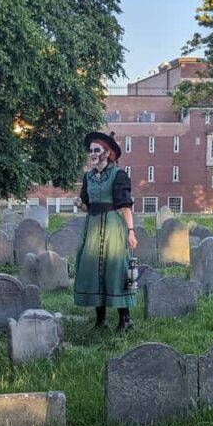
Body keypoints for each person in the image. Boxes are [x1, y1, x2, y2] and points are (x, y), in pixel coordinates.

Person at [72, 131, 138, 332]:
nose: (92, 153)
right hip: (92, 227)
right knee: (93, 270)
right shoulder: (89, 176)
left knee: (116, 270)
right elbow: (88, 206)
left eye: (96, 150)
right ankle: (100, 321)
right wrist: (79, 204)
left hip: (112, 227)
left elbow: (125, 206)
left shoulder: (118, 175)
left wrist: (131, 231)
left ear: (107, 153)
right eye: (90, 150)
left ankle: (125, 320)